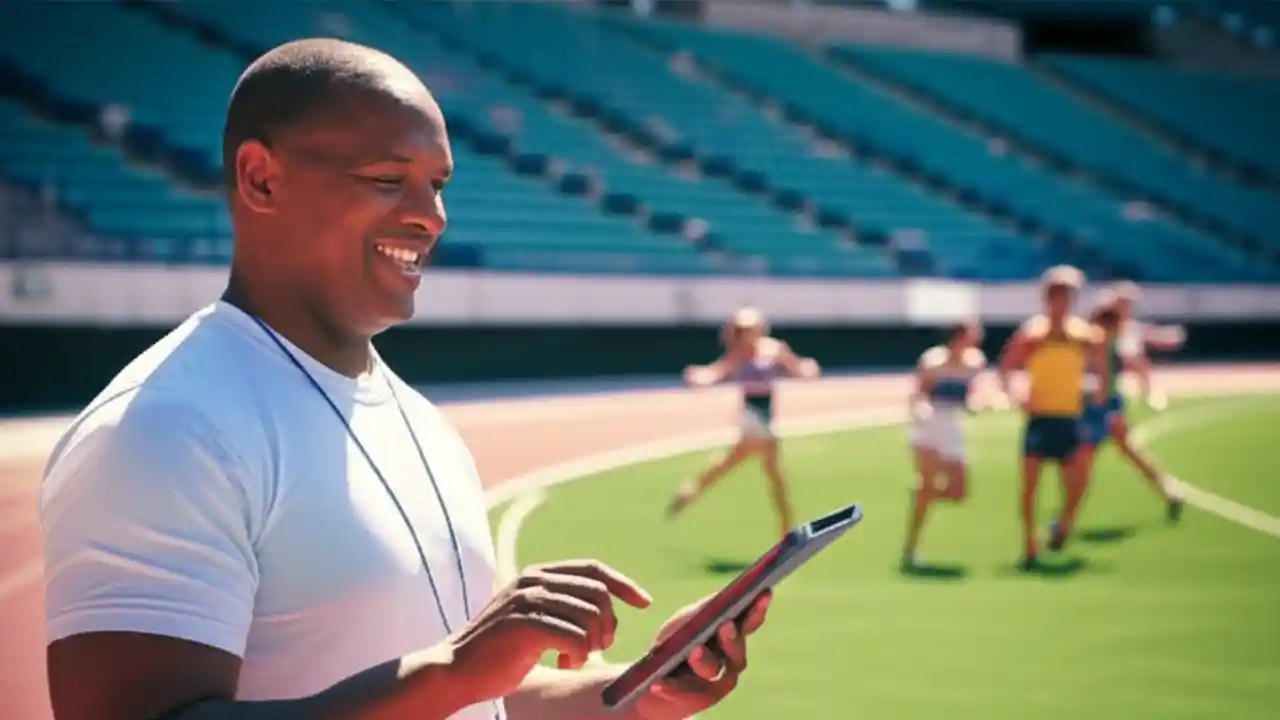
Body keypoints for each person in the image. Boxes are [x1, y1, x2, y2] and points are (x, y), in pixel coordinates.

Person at [38, 39, 770, 720]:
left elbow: (471, 704)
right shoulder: (165, 428)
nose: (430, 217)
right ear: (261, 178)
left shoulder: (418, 420)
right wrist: (447, 670)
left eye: (438, 185)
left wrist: (632, 689)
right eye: (389, 180)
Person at [665, 307, 820, 538]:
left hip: (766, 413)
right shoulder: (738, 354)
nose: (748, 334)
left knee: (746, 465)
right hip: (751, 415)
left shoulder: (773, 349)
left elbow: (797, 368)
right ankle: (787, 528)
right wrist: (699, 377)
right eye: (743, 330)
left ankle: (691, 489)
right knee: (772, 469)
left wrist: (807, 370)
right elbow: (718, 371)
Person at [999, 266, 1108, 568]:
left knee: (1076, 482)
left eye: (1067, 295)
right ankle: (1029, 545)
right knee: (1031, 486)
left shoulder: (1084, 334)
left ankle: (1063, 524)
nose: (1061, 301)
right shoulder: (1033, 332)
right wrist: (1016, 395)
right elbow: (1007, 366)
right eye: (1056, 295)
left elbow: (1101, 367)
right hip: (1040, 417)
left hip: (1070, 416)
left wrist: (1099, 389)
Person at [1077, 294, 1186, 522]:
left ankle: (1066, 516)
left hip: (1099, 407)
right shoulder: (1099, 344)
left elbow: (1130, 363)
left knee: (1082, 460)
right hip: (1107, 405)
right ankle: (1167, 490)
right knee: (1128, 451)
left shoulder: (1102, 346)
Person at [902, 320, 990, 570]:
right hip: (929, 425)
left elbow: (972, 394)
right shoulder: (933, 361)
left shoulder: (975, 362)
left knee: (958, 491)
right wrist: (921, 409)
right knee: (928, 481)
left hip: (952, 427)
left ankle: (921, 495)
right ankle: (912, 545)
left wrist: (976, 404)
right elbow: (919, 393)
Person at [1111, 281, 1187, 411]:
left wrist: (1168, 336)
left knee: (1142, 364)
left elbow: (1150, 334)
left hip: (1125, 359)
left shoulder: (1132, 325)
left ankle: (1148, 394)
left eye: (1129, 304)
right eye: (1125, 304)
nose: (1128, 307)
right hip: (1110, 359)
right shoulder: (1106, 323)